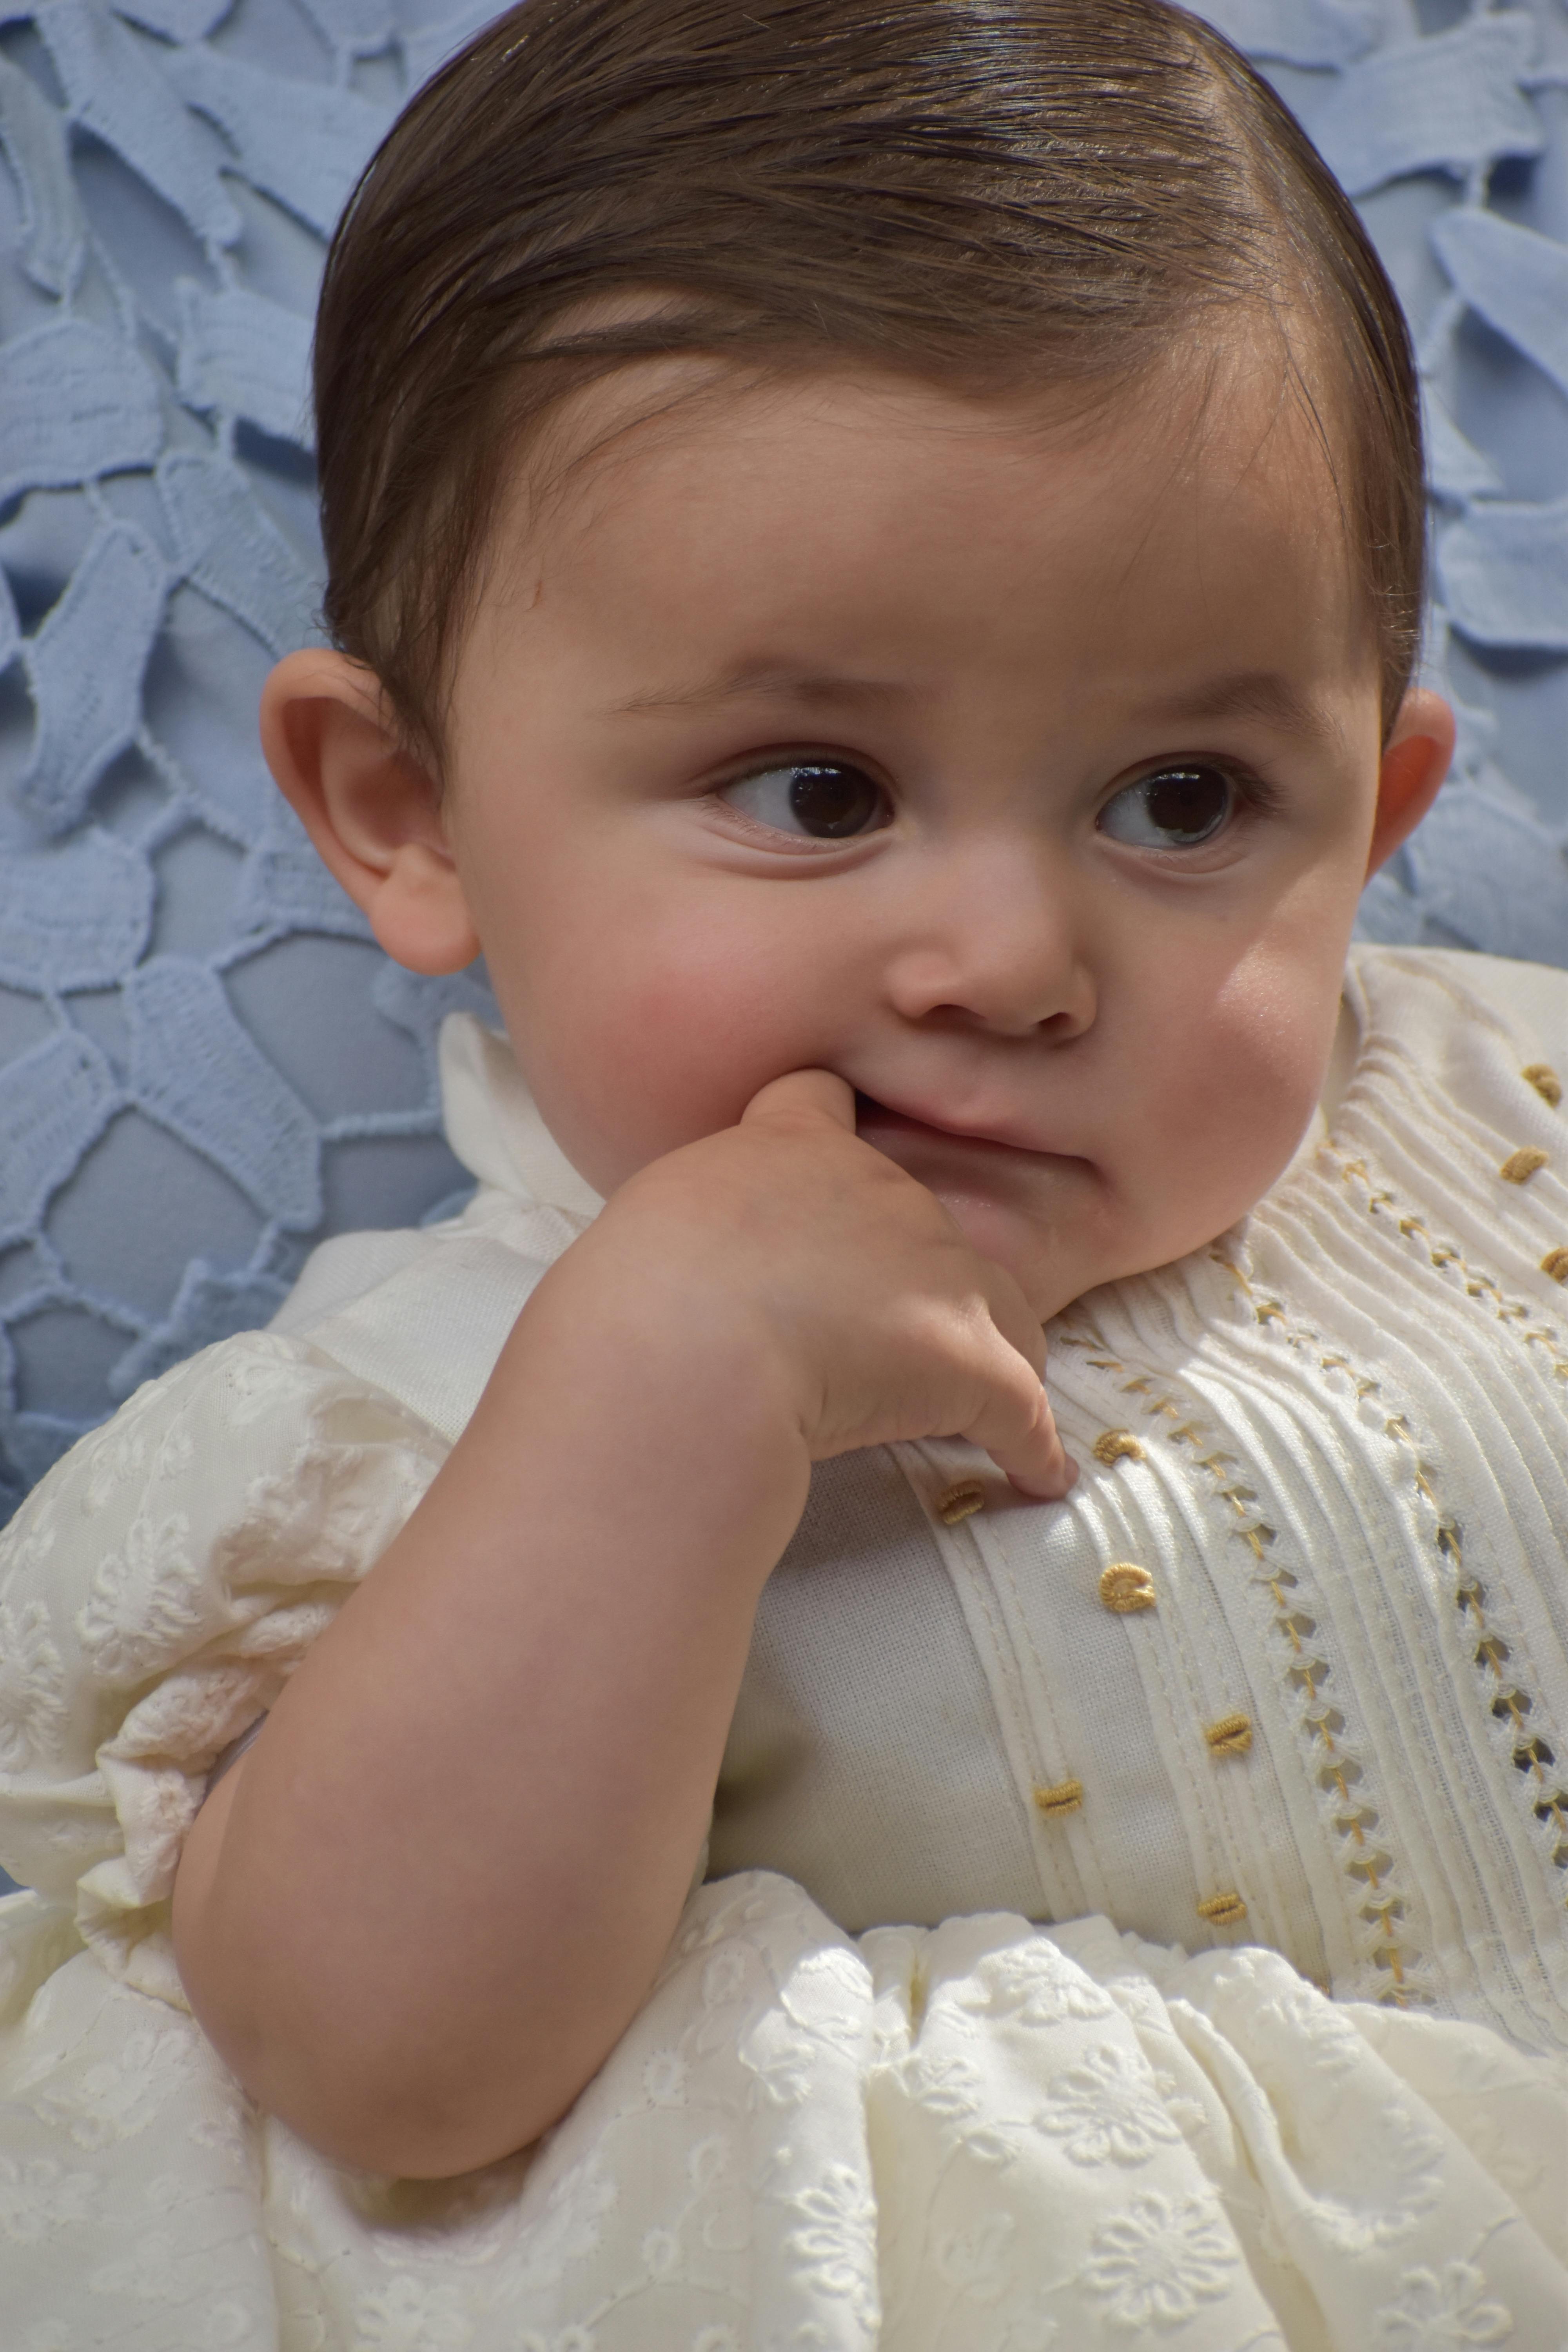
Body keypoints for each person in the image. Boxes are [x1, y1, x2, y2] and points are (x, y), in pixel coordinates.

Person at [0, 0, 1564, 2340]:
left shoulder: (1514, 1110)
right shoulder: (435, 1414)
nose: (1015, 960)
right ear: (406, 816)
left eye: (1187, 803)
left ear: (1378, 823)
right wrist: (656, 1413)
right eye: (819, 792)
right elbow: (370, 2070)